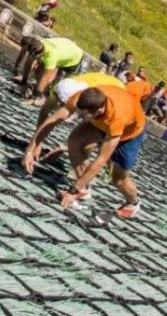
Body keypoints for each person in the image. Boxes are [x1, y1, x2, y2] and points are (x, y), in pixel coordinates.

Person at [19, 71, 150, 219]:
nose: (79, 117)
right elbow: (53, 119)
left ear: (99, 110)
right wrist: (30, 151)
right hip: (102, 122)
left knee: (118, 179)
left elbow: (100, 160)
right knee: (74, 142)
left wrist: (73, 191)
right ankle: (84, 188)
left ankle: (133, 203)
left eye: (83, 115)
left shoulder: (116, 118)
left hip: (130, 133)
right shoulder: (82, 97)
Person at [12, 32, 86, 102]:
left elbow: (45, 78)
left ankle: (47, 94)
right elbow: (28, 64)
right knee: (38, 72)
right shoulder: (38, 44)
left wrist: (34, 97)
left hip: (74, 57)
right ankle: (42, 89)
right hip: (64, 46)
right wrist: (24, 81)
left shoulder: (51, 57)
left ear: (39, 55)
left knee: (65, 85)